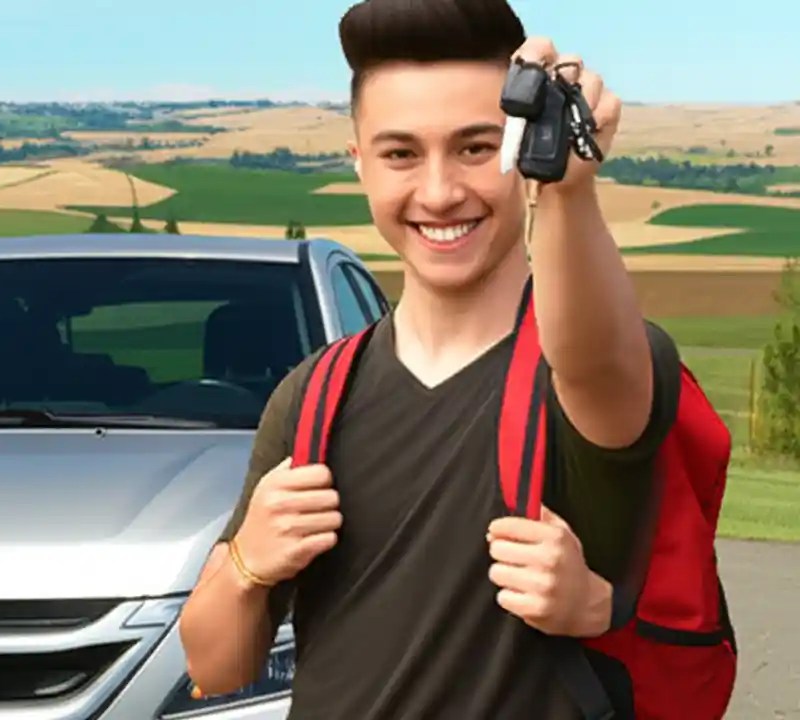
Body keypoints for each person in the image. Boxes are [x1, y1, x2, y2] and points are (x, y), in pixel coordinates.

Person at [176, 0, 684, 717]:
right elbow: (216, 666)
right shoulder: (314, 395)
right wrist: (247, 564)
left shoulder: (589, 372)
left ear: (521, 152)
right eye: (401, 154)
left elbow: (592, 356)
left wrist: (568, 185)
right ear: (359, 162)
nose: (440, 193)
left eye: (476, 148)